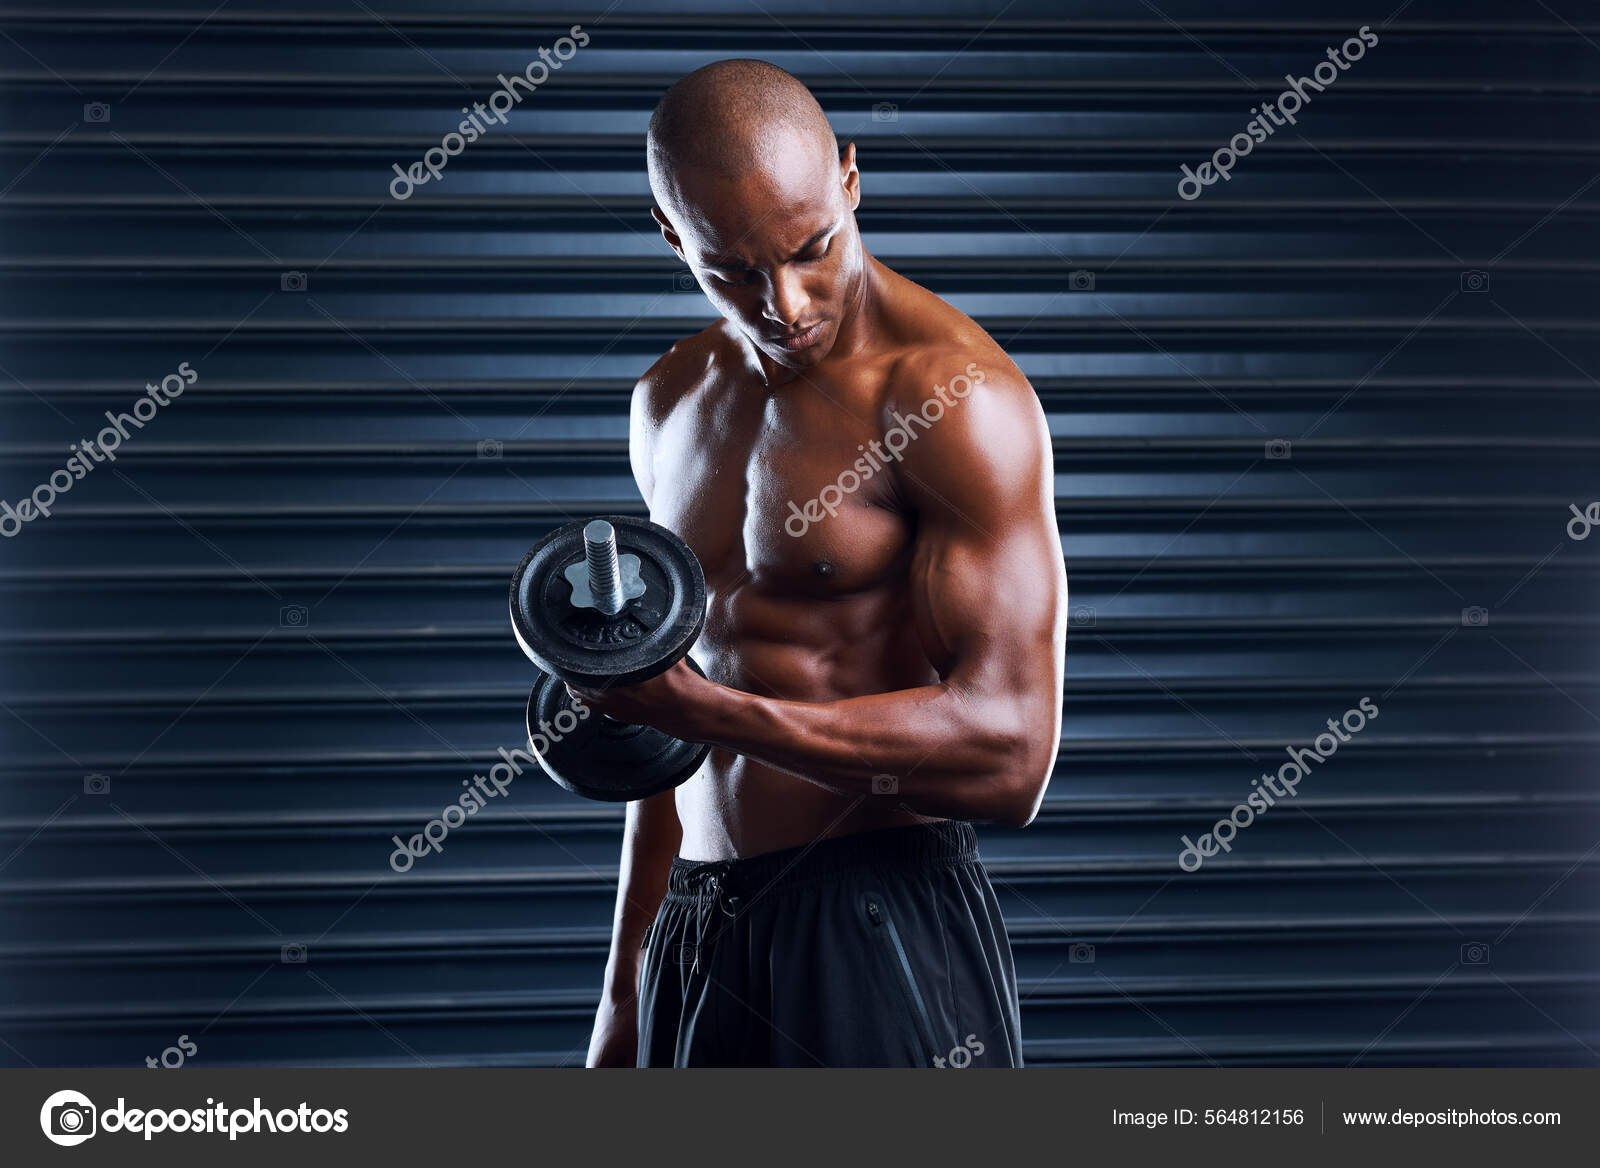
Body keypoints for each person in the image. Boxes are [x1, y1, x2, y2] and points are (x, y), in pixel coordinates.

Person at [568, 58, 1067, 1068]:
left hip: (873, 919)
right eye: (735, 271)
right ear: (674, 238)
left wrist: (707, 714)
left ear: (849, 178)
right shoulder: (667, 402)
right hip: (697, 930)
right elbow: (669, 726)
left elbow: (1013, 757)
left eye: (809, 250)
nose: (784, 303)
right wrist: (623, 1002)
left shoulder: (952, 398)